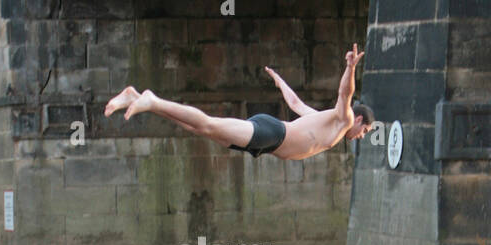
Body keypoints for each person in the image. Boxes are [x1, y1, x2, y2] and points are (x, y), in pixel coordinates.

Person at [103, 45, 375, 160]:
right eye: (364, 131)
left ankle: (141, 100)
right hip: (273, 134)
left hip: (267, 143)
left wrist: (281, 83)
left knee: (199, 129)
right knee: (207, 126)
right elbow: (344, 95)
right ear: (359, 120)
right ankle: (151, 100)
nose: (360, 136)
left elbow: (296, 105)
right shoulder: (345, 119)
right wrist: (350, 68)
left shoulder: (327, 121)